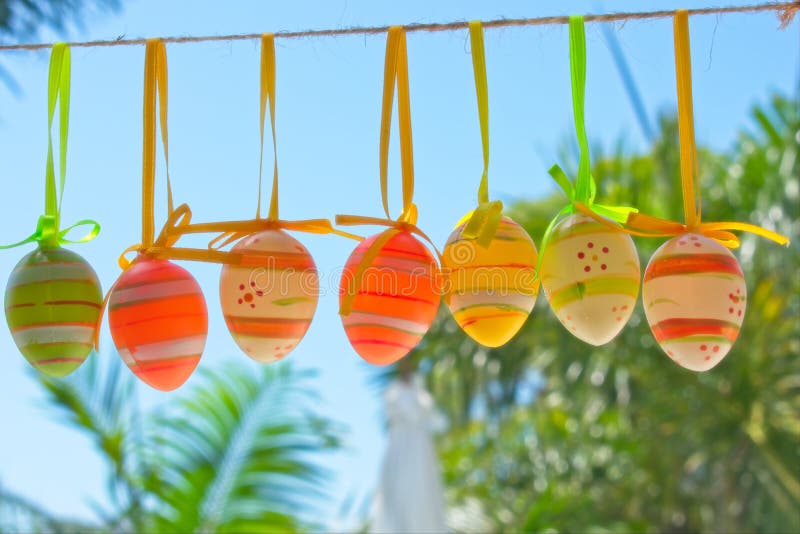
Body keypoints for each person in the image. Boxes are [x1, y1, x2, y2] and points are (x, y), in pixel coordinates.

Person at [370, 357, 448, 533]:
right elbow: (406, 413)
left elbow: (435, 420)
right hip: (400, 449)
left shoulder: (422, 393)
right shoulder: (392, 393)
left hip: (420, 450)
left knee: (423, 493)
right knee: (399, 495)